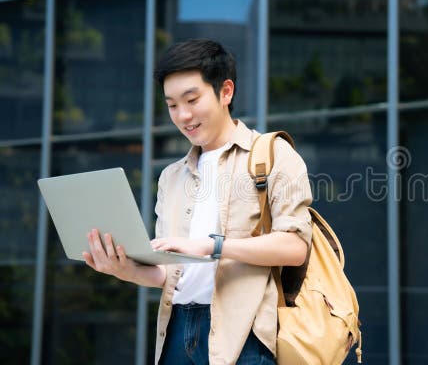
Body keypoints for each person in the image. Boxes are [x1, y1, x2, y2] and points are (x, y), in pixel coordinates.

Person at [80, 39, 313, 365]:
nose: (183, 115)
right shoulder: (171, 177)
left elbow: (295, 246)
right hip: (176, 330)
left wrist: (211, 246)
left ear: (226, 92)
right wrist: (126, 269)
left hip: (243, 336)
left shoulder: (273, 154)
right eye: (172, 105)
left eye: (192, 100)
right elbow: (169, 274)